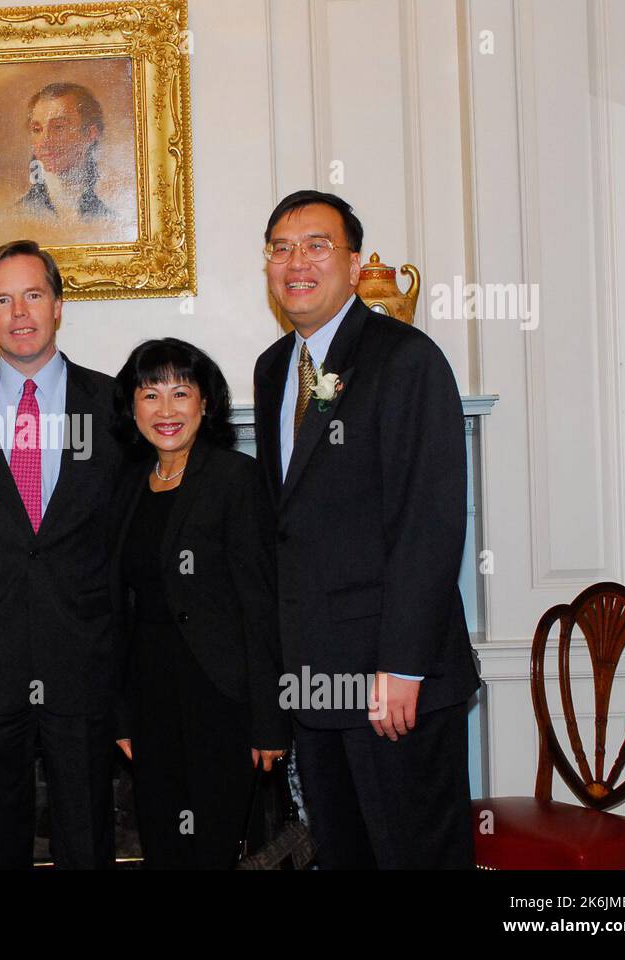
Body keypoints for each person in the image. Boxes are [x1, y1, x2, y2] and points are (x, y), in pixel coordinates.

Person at [253, 189, 479, 868]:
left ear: (355, 266)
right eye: (281, 248)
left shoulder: (405, 359)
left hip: (392, 688)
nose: (297, 262)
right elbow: (288, 523)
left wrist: (402, 666)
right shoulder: (274, 372)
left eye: (317, 245)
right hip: (318, 687)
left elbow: (430, 521)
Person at [0, 239, 125, 869]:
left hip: (84, 658)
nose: (19, 312)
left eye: (33, 295)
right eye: (2, 300)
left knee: (87, 835)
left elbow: (128, 539)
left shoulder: (115, 405)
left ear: (59, 306)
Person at [108, 338, 288, 869]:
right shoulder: (126, 487)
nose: (166, 411)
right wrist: (120, 713)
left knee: (217, 845)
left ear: (205, 403)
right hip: (149, 699)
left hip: (221, 699)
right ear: (132, 406)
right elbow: (117, 609)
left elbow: (261, 606)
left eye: (181, 392)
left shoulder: (236, 478)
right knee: (164, 844)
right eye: (150, 394)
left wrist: (269, 720)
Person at [19, 83, 113, 223]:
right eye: (37, 129)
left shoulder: (108, 217)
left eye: (58, 127)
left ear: (90, 134)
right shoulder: (19, 214)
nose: (44, 141)